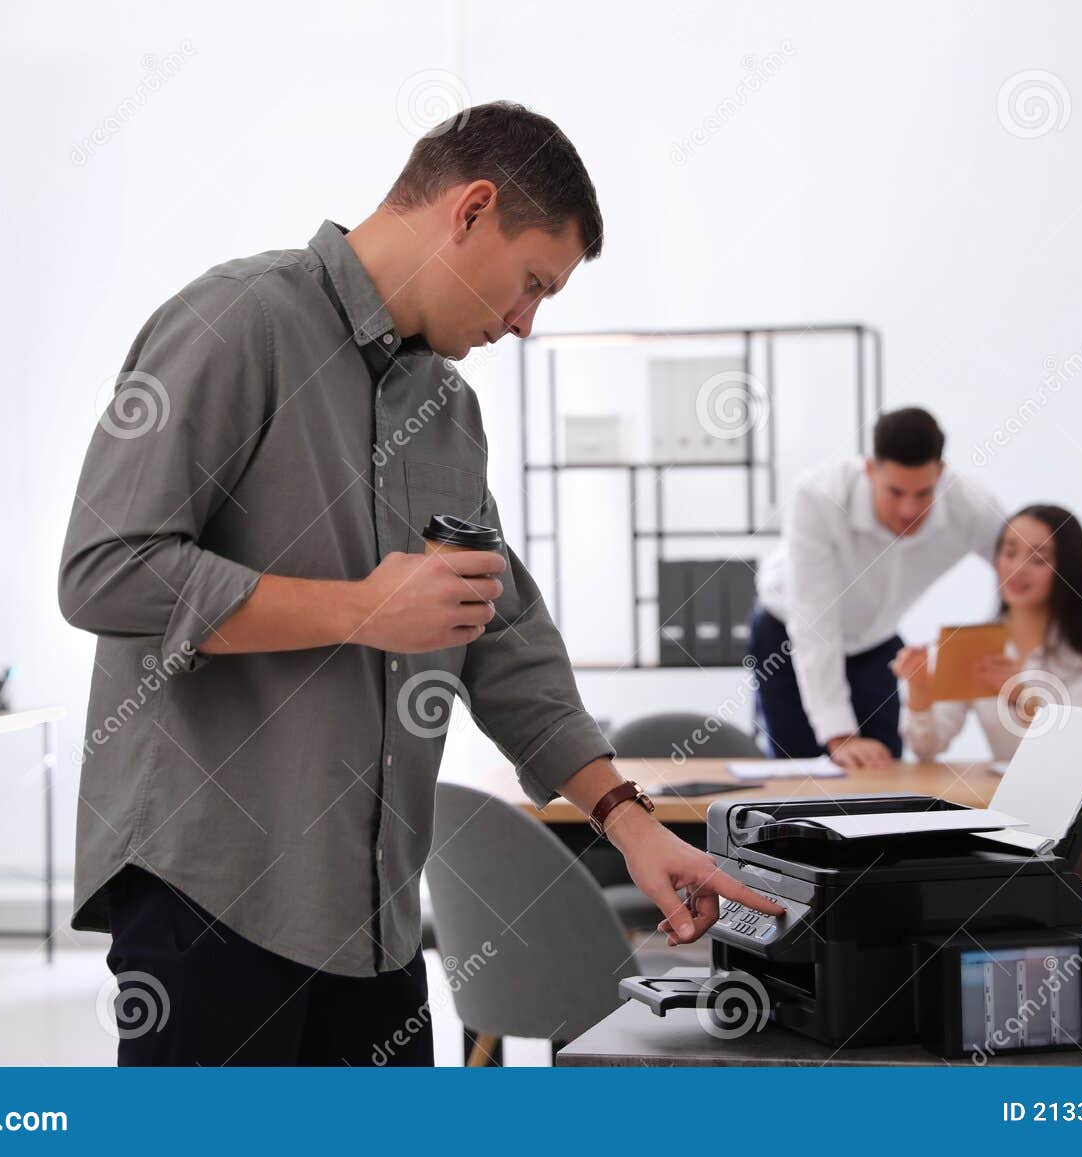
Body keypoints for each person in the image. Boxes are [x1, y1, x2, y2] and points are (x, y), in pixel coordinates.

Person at [59, 101, 781, 1067]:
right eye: (532, 284)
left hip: (376, 921)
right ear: (471, 209)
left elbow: (503, 636)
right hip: (212, 900)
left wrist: (629, 822)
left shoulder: (447, 408)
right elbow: (106, 571)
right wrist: (361, 611)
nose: (525, 324)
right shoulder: (235, 322)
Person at [890, 504, 1082, 927]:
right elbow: (929, 746)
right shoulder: (974, 645)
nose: (1017, 568)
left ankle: (1064, 972)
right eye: (1007, 551)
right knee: (990, 904)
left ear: (1066, 570)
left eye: (1038, 558)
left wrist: (1025, 691)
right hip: (1026, 828)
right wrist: (920, 694)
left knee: (1065, 917)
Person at [749, 408, 1004, 768]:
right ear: (870, 469)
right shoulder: (818, 497)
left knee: (884, 768)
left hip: (875, 639)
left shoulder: (971, 507)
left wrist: (1001, 643)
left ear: (941, 475)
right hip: (789, 636)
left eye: (923, 493)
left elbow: (1020, 565)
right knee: (801, 773)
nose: (909, 509)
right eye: (896, 491)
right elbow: (814, 619)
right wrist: (840, 735)